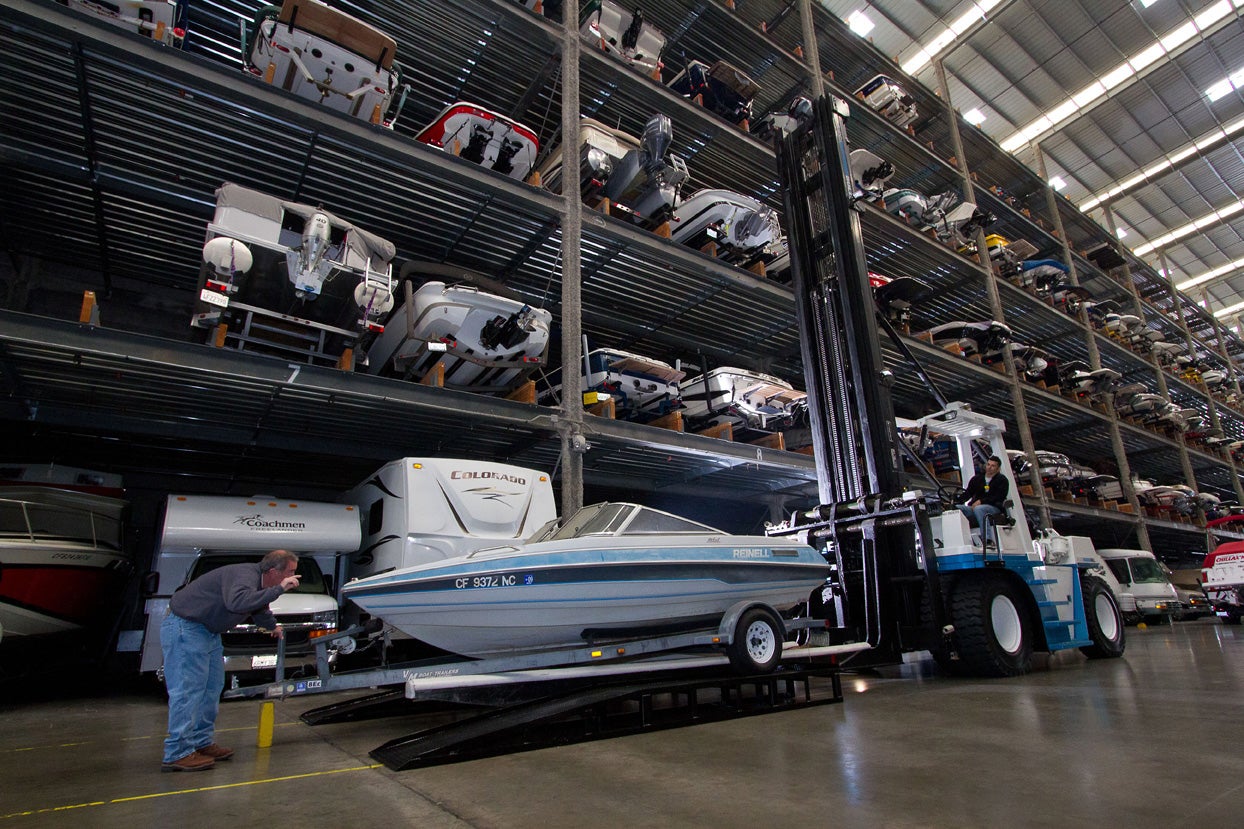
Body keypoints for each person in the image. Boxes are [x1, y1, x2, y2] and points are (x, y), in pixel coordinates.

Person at [160, 549, 301, 772]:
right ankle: (178, 753)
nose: (295, 577)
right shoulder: (245, 575)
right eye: (291, 572)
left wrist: (271, 625)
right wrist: (279, 590)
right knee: (188, 690)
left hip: (208, 631)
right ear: (274, 572)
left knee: (212, 687)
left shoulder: (260, 583)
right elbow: (238, 602)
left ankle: (200, 742)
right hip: (187, 627)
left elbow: (258, 605)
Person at [956, 455, 1009, 543]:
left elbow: (999, 497)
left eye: (993, 466)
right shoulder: (977, 479)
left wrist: (981, 501)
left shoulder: (1002, 480)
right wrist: (956, 501)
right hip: (975, 507)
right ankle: (960, 539)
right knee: (957, 509)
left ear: (998, 468)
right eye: (988, 464)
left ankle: (987, 539)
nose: (989, 467)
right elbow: (968, 493)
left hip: (994, 507)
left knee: (979, 509)